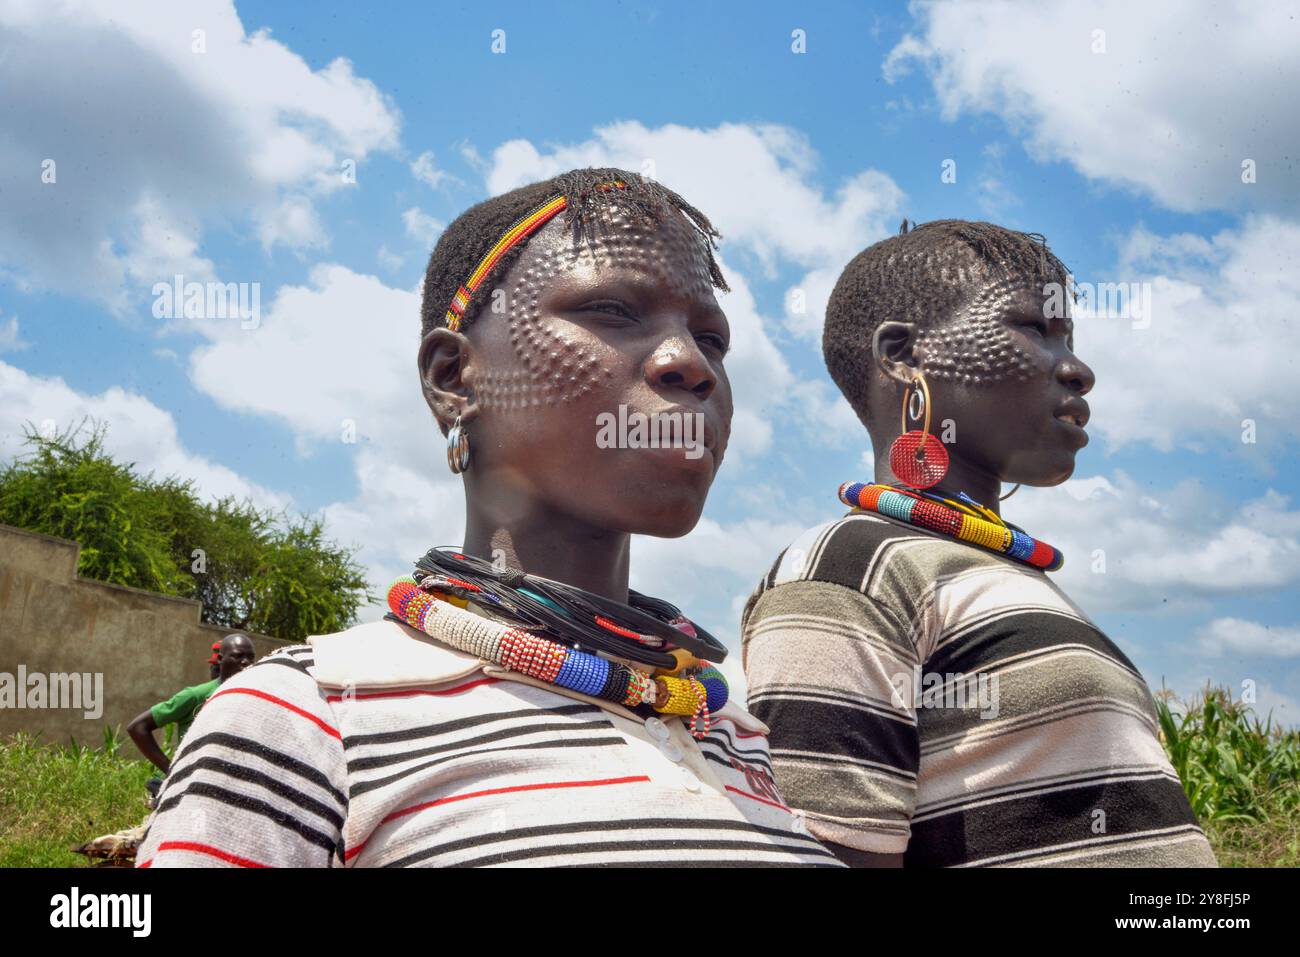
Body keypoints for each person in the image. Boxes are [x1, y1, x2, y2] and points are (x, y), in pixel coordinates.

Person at [134, 169, 842, 868]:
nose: (692, 363)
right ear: (452, 378)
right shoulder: (306, 717)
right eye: (612, 311)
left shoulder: (736, 734)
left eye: (712, 339)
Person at [742, 220, 1217, 867]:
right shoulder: (851, 570)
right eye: (1034, 329)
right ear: (903, 356)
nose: (1078, 370)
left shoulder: (1008, 576)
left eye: (1069, 337)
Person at [128, 633, 254, 782]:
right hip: (192, 786)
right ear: (220, 660)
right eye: (238, 656)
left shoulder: (252, 698)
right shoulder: (196, 695)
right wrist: (173, 772)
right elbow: (138, 727)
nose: (246, 662)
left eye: (251, 657)